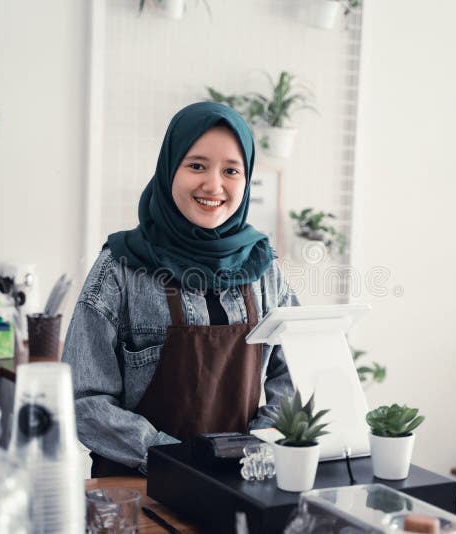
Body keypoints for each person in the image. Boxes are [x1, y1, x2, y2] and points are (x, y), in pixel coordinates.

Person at [62, 102, 297, 477]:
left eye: (231, 170)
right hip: (141, 492)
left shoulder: (263, 270)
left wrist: (251, 449)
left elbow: (297, 378)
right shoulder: (119, 268)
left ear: (247, 178)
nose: (214, 184)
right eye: (197, 165)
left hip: (240, 485)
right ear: (170, 168)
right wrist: (176, 460)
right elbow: (81, 401)